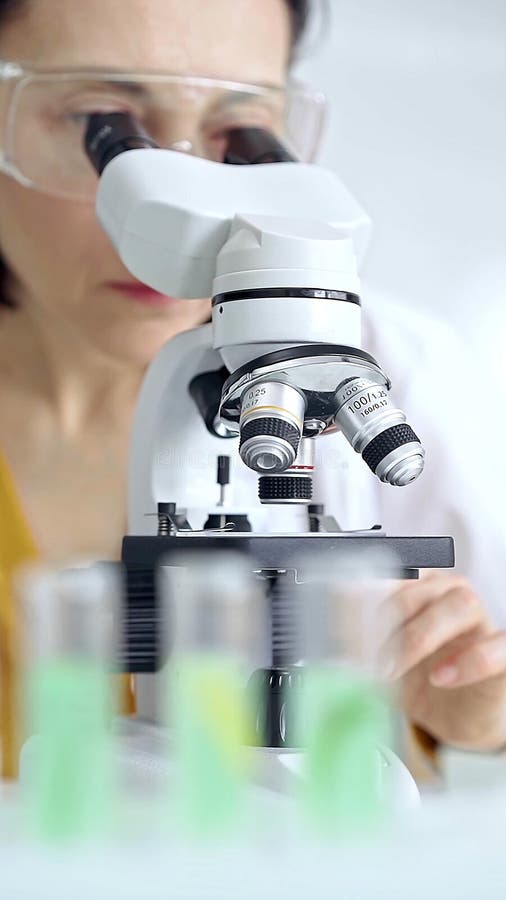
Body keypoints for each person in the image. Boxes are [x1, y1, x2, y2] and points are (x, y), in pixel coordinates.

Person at [0, 0, 505, 779]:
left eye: (238, 133)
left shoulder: (393, 363)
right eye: (101, 123)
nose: (188, 193)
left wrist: (482, 713)